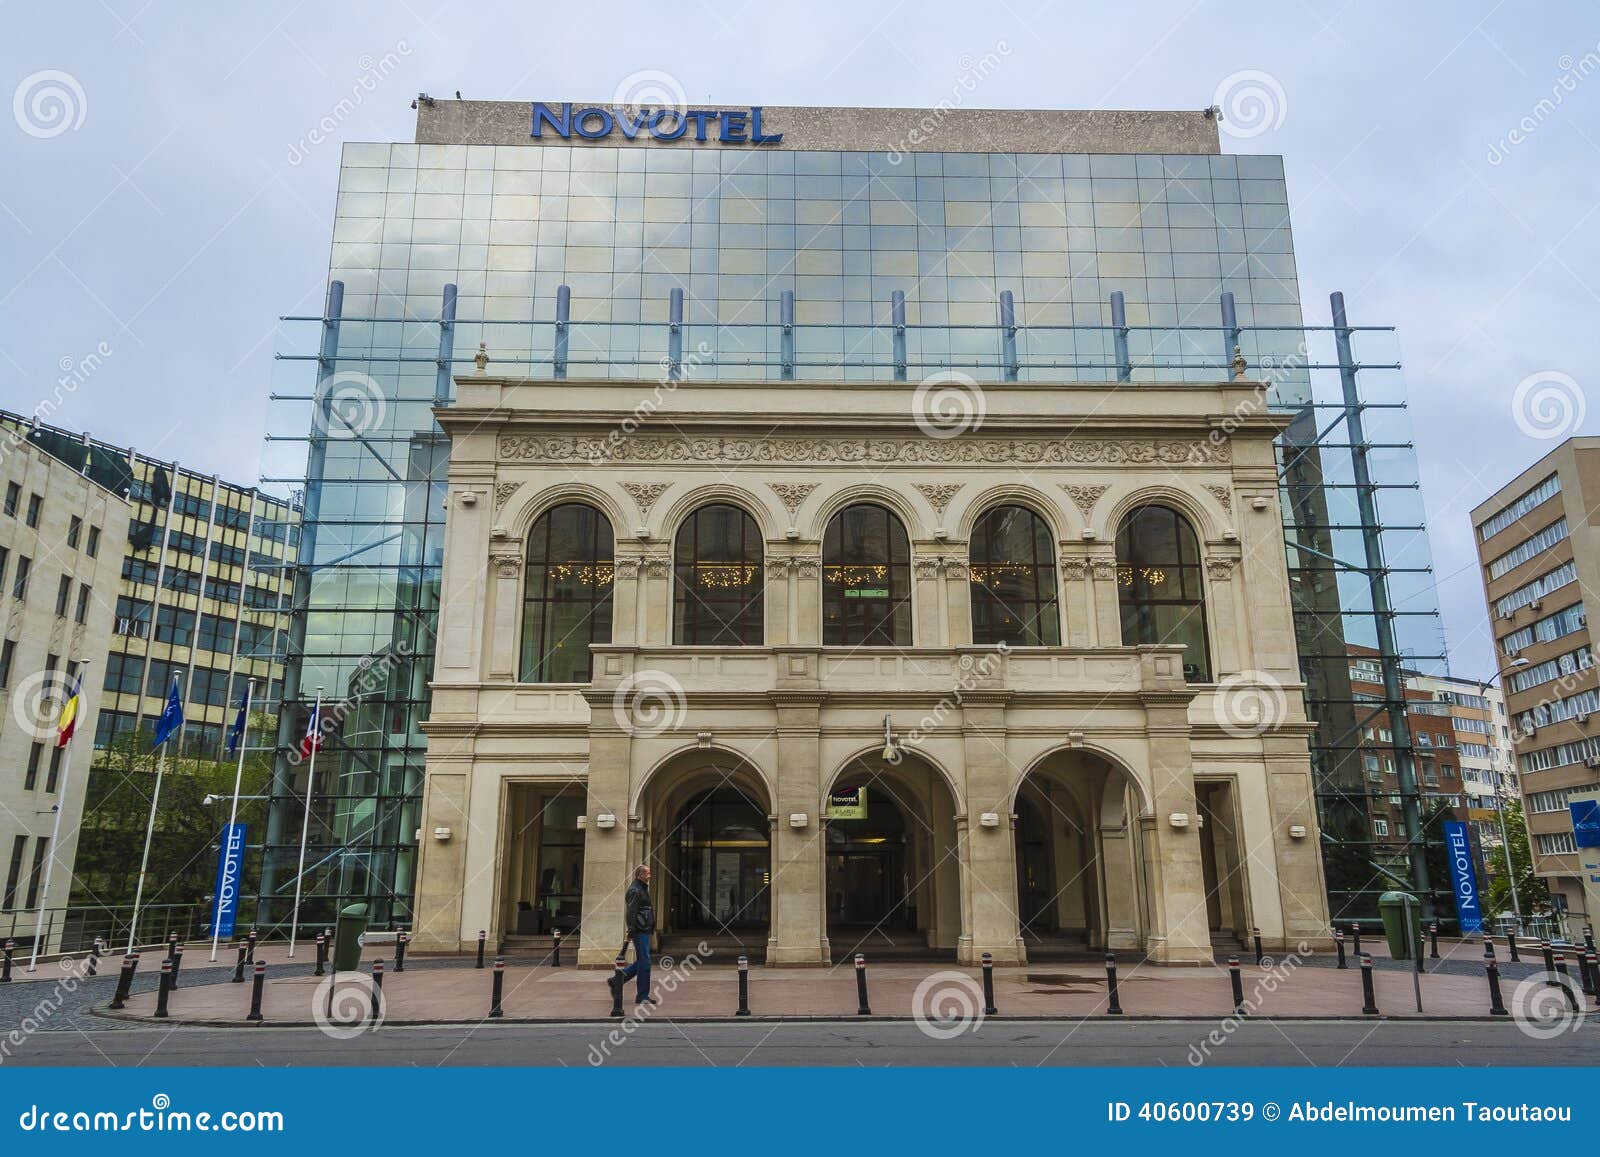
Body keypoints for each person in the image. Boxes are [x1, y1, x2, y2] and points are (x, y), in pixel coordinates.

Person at [610, 864, 656, 1005]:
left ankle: (616, 980)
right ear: (640, 875)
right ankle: (642, 996)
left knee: (642, 960)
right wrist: (631, 928)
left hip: (644, 929)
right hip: (639, 930)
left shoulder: (641, 888)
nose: (650, 875)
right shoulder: (635, 890)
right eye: (647, 873)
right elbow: (631, 911)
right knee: (645, 962)